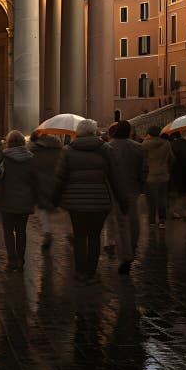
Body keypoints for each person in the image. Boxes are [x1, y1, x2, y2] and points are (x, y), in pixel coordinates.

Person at [52, 119, 128, 284]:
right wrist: (123, 200)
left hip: (75, 202)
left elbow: (59, 178)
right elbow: (116, 178)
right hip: (99, 201)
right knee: (94, 237)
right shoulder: (105, 149)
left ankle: (80, 272)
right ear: (94, 132)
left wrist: (54, 199)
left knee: (79, 237)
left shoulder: (67, 150)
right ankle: (91, 273)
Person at [0, 131, 39, 272]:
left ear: (9, 142)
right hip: (25, 200)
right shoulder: (31, 158)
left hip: (7, 199)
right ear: (23, 142)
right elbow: (35, 180)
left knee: (8, 231)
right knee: (22, 231)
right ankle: (21, 260)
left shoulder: (3, 156)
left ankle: (11, 260)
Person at [107, 120, 145, 274]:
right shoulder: (138, 148)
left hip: (115, 190)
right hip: (132, 189)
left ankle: (125, 255)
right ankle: (133, 250)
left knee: (121, 223)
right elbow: (144, 170)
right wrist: (141, 186)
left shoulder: (108, 148)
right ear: (130, 131)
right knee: (134, 222)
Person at [28, 131, 63, 250]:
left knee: (43, 210)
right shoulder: (60, 149)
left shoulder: (34, 150)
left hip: (41, 183)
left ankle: (47, 232)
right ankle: (70, 232)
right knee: (64, 209)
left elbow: (30, 168)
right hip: (58, 182)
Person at [142, 125, 173, 228]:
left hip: (150, 176)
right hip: (164, 175)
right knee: (162, 199)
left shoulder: (144, 145)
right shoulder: (167, 144)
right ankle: (162, 221)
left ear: (149, 133)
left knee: (151, 200)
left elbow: (143, 161)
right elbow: (172, 159)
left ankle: (151, 221)